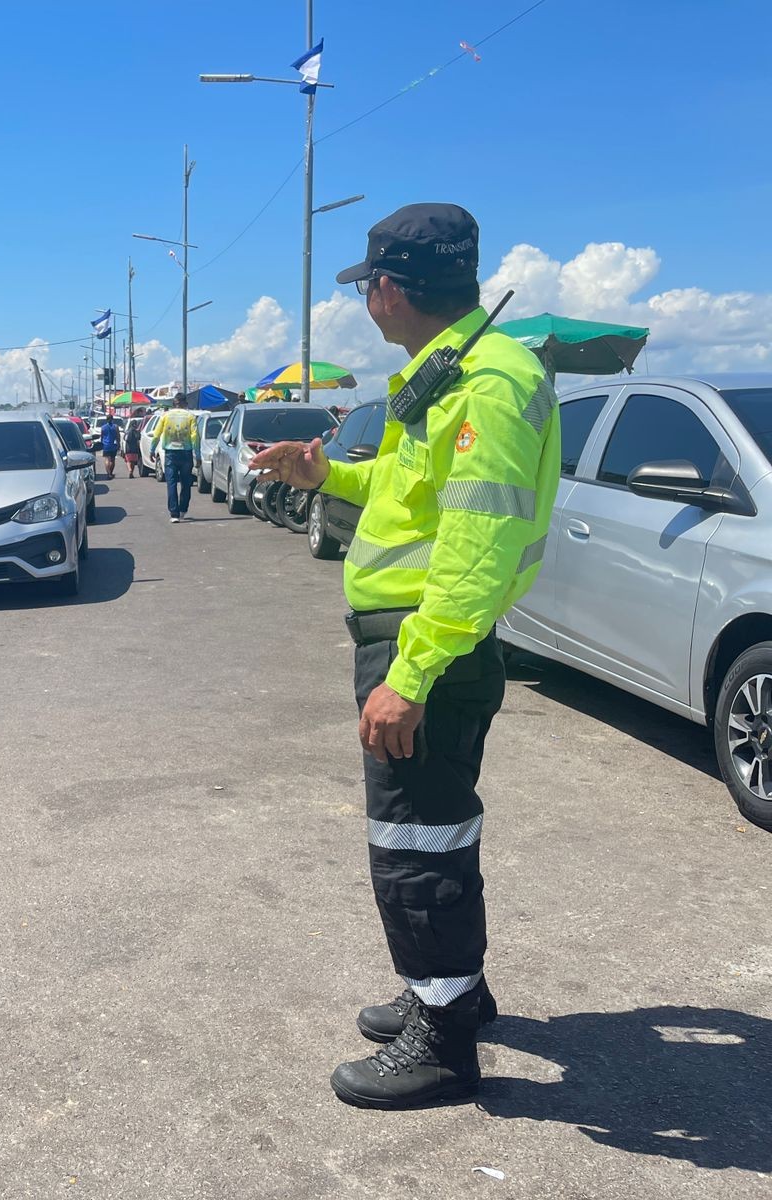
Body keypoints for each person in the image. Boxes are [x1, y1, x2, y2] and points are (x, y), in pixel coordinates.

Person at [252, 203, 560, 1109]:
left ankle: (444, 1041)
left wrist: (409, 675)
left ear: (390, 289)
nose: (365, 304)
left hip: (427, 646)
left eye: (365, 288)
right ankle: (452, 990)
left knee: (414, 838)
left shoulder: (486, 384)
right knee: (431, 825)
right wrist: (326, 476)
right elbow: (405, 491)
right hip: (417, 638)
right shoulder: (451, 367)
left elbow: (474, 547)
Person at [152, 394, 200, 522]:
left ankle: (174, 514)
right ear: (185, 403)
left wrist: (152, 449)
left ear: (174, 403)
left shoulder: (165, 416)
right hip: (186, 453)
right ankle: (183, 509)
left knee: (171, 483)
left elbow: (156, 434)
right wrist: (198, 455)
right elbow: (195, 437)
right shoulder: (190, 416)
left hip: (170, 453)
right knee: (186, 483)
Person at [98, 412, 122, 479]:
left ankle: (108, 473)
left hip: (105, 445)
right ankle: (111, 472)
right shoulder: (115, 427)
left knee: (107, 459)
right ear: (112, 419)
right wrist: (118, 444)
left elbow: (102, 436)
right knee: (112, 460)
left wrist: (101, 443)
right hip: (113, 445)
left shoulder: (103, 427)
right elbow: (118, 436)